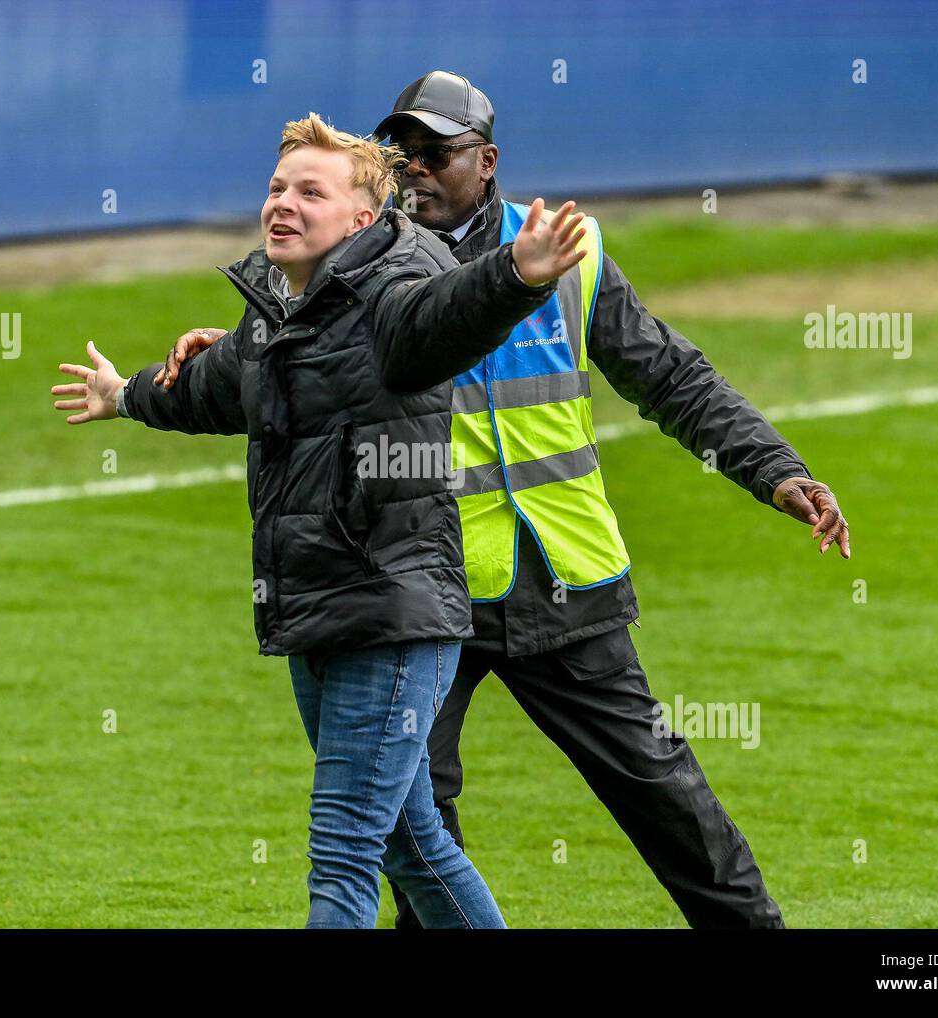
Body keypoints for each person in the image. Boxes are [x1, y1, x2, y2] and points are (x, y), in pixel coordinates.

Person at [158, 74, 852, 930]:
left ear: (485, 163)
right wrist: (216, 350)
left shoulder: (566, 249)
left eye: (437, 152)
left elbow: (670, 376)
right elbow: (288, 346)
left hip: (567, 577)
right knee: (413, 833)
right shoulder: (366, 258)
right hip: (426, 592)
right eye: (399, 152)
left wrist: (776, 470)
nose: (415, 167)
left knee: (669, 802)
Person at [50, 112, 589, 928]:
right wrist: (125, 396)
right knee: (415, 848)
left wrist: (518, 274)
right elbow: (213, 387)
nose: (283, 204)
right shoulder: (279, 310)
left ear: (362, 219)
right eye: (276, 188)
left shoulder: (393, 295)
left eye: (310, 191)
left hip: (393, 612)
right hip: (315, 605)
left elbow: (445, 317)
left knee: (342, 853)